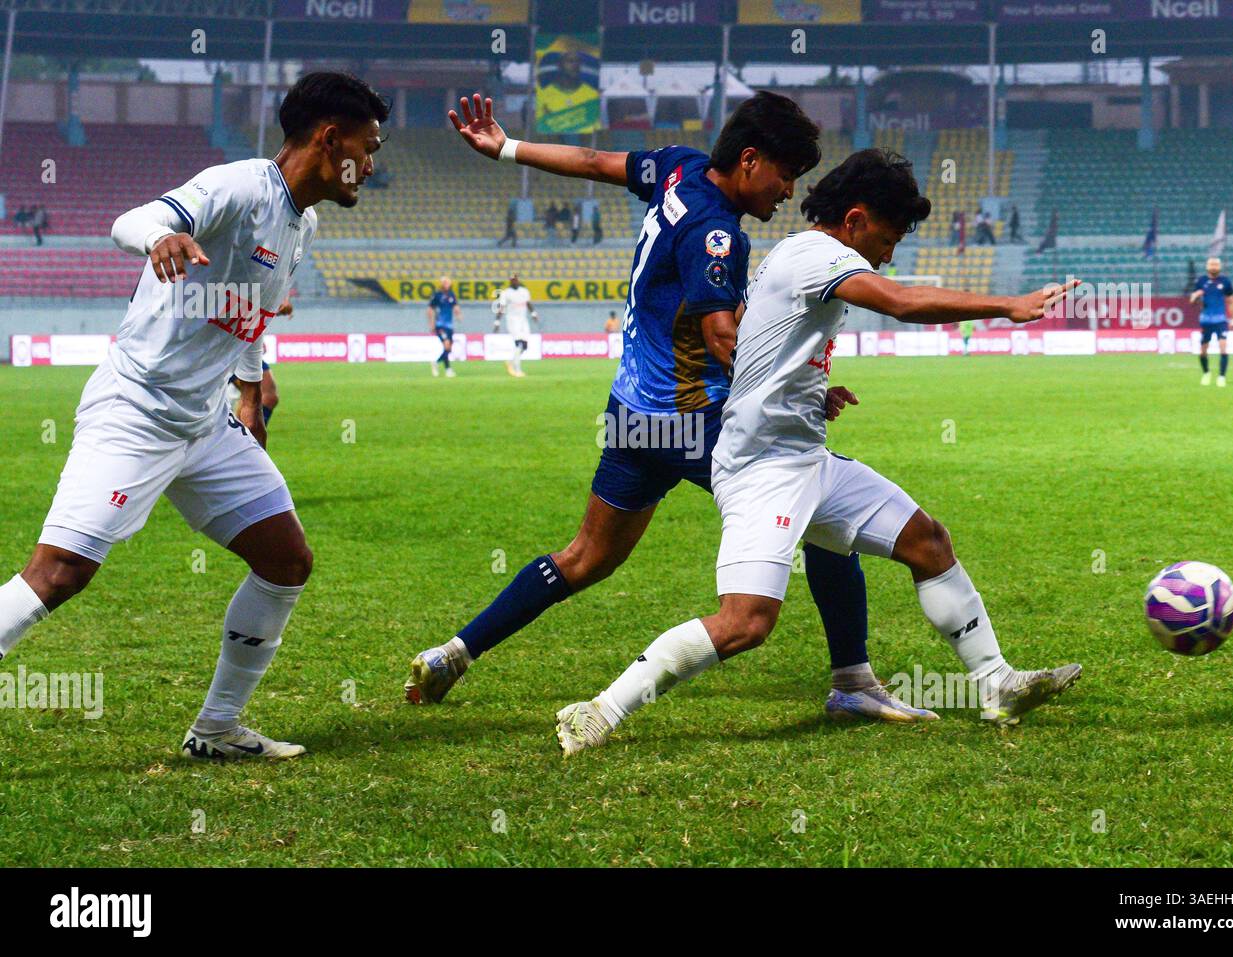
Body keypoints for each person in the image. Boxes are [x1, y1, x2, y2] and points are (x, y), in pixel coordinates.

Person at [555, 150, 1083, 754]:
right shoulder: (817, 255)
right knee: (745, 625)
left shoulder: (794, 256)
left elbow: (757, 343)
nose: (887, 254)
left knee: (928, 542)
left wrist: (808, 390)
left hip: (806, 458)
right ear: (854, 220)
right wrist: (1006, 306)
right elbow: (902, 302)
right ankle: (599, 711)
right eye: (885, 239)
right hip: (762, 470)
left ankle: (996, 685)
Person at [407, 93, 908, 725]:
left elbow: (592, 161)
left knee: (587, 557)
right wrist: (804, 389)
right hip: (695, 420)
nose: (788, 191)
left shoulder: (678, 166)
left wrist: (507, 147)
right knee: (820, 501)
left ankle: (454, 652)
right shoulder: (717, 235)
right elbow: (726, 338)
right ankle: (852, 682)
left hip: (632, 414)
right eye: (784, 175)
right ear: (751, 161)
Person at [0, 71, 389, 761]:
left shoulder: (305, 221)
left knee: (285, 559)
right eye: (370, 145)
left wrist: (248, 390)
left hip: (205, 423)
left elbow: (250, 312)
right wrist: (159, 238)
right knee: (58, 573)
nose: (373, 162)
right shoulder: (239, 186)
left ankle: (215, 730)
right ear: (331, 139)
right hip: (138, 409)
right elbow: (132, 219)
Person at [1189, 255, 1233, 387]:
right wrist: (1195, 296)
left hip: (1221, 319)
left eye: (1216, 264)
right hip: (1206, 320)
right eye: (1211, 264)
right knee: (1203, 350)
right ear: (1207, 267)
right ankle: (1206, 373)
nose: (1214, 267)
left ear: (1219, 267)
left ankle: (1221, 377)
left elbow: (1231, 301)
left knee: (1223, 347)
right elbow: (1192, 301)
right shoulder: (1201, 281)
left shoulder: (1225, 282)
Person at [492, 274, 538, 378]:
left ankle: (510, 362)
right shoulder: (506, 293)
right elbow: (502, 308)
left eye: (516, 280)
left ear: (518, 280)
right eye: (512, 280)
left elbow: (528, 303)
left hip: (523, 320)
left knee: (524, 346)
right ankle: (517, 370)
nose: (515, 281)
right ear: (510, 281)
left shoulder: (524, 291)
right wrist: (497, 322)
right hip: (513, 321)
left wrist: (533, 314)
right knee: (519, 344)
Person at [428, 276, 461, 377]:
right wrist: (432, 323)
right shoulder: (437, 295)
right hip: (440, 324)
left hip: (449, 325)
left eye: (448, 283)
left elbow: (455, 306)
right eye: (445, 282)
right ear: (442, 284)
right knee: (446, 344)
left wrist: (458, 313)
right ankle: (448, 370)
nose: (447, 284)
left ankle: (436, 362)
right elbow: (430, 309)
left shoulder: (451, 295)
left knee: (449, 348)